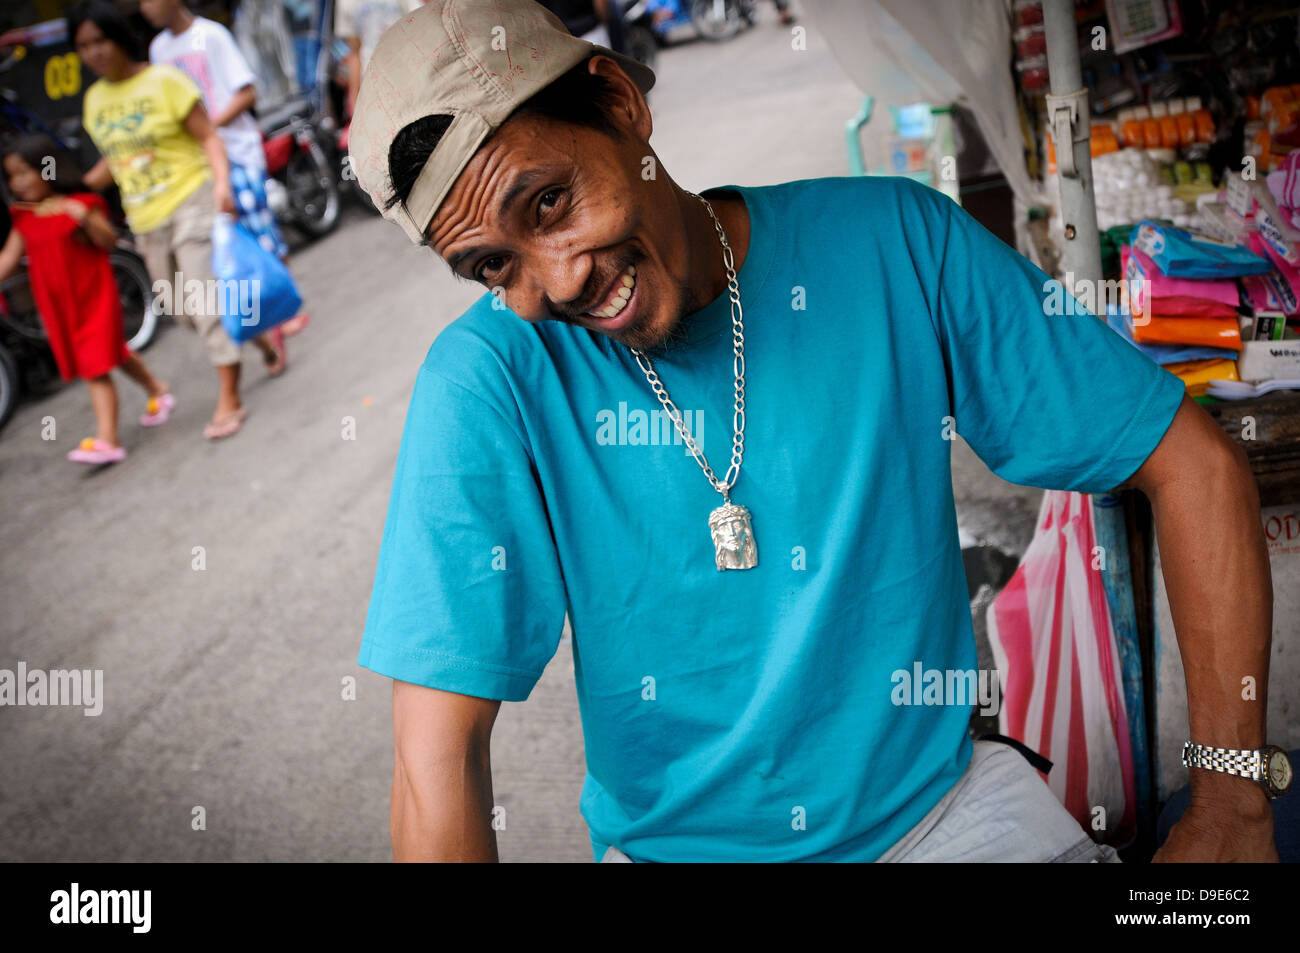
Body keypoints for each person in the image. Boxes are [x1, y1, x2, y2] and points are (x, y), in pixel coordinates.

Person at [350, 1, 1282, 862]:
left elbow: (1191, 464)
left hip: (947, 819)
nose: (554, 282)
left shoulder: (897, 245)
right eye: (490, 265)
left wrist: (1233, 799)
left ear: (618, 103)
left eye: (549, 203)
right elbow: (435, 757)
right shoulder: (489, 381)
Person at [71, 0, 284, 441]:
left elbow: (208, 136)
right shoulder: (94, 102)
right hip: (146, 219)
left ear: (118, 40)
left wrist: (222, 184)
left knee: (204, 305)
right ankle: (257, 333)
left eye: (100, 41)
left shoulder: (165, 81)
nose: (94, 52)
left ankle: (230, 397)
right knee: (183, 311)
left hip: (193, 198)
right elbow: (115, 160)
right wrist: (64, 189)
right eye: (83, 45)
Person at [141, 0, 310, 342]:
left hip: (237, 154)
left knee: (262, 235)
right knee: (229, 247)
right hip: (199, 165)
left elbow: (247, 93)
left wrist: (205, 128)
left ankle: (287, 307)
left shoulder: (211, 35)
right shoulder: (158, 49)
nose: (147, 7)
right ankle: (265, 328)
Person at [0, 134, 173, 465]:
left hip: (94, 298)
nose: (18, 182)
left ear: (47, 168)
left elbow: (108, 243)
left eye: (25, 172)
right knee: (112, 354)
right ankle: (158, 390)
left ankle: (107, 439)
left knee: (96, 367)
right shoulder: (24, 218)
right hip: (61, 309)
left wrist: (84, 217)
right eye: (12, 175)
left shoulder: (79, 203)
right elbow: (7, 260)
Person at [335, 0, 422, 120]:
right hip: (371, 89)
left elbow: (419, 30)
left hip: (405, 85)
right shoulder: (347, 2)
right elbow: (354, 52)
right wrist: (354, 101)